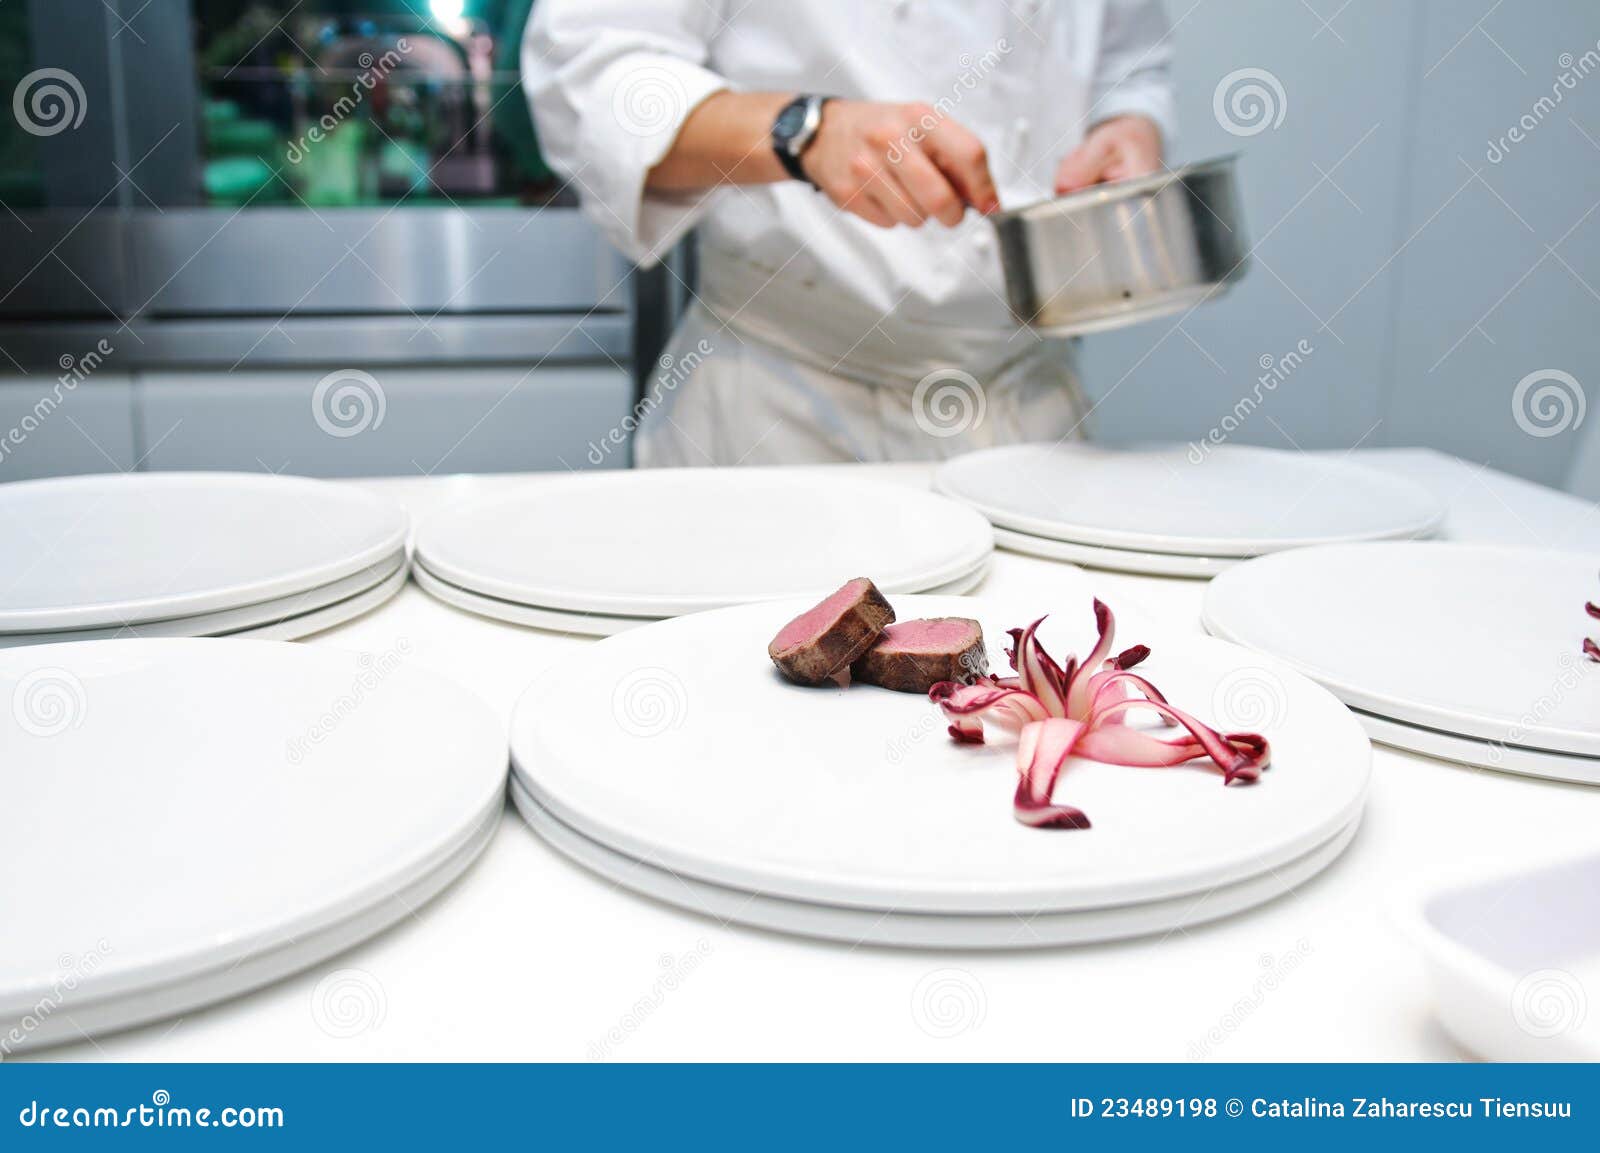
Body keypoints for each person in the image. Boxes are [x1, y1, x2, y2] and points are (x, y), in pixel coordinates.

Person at [523, 1, 1174, 467]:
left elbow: (1131, 59)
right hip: (784, 415)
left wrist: (1127, 124)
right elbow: (586, 73)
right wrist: (802, 130)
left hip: (1035, 413)